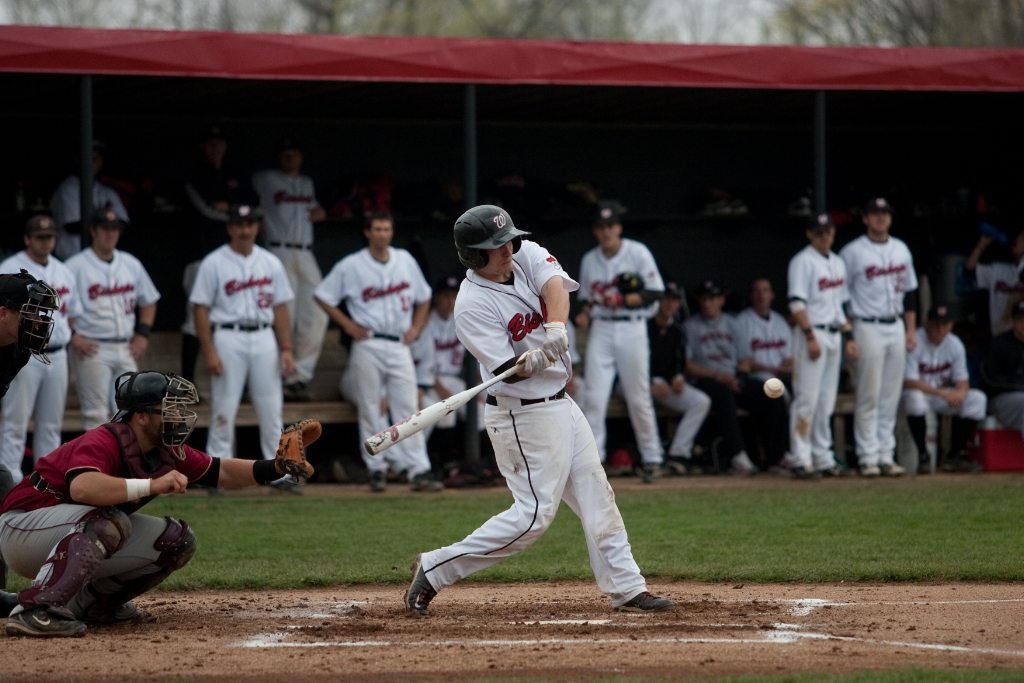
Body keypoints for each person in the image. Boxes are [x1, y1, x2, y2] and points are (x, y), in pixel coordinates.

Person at [405, 204, 673, 617]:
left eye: (509, 239)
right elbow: (506, 374)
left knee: (596, 493)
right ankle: (435, 568)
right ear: (474, 256)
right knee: (532, 518)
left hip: (561, 405)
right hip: (521, 415)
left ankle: (628, 587)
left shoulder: (522, 252)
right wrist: (528, 362)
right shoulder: (471, 305)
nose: (508, 248)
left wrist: (555, 329)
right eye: (496, 246)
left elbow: (554, 285)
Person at [0, 371, 315, 637]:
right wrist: (151, 485)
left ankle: (93, 605)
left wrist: (276, 467)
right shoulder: (105, 439)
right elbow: (82, 487)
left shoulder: (166, 448)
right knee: (108, 522)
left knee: (175, 541)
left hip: (66, 532)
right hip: (22, 527)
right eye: (168, 407)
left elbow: (223, 471)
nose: (178, 415)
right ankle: (34, 609)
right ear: (140, 416)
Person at [314, 212, 441, 493]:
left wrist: (417, 327)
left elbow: (424, 296)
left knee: (408, 408)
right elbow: (322, 295)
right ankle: (378, 469)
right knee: (370, 406)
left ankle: (418, 468)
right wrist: (347, 324)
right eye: (378, 228)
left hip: (399, 343)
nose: (383, 233)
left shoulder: (405, 261)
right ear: (368, 232)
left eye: (387, 228)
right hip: (368, 342)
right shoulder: (352, 264)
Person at [190, 204, 296, 479]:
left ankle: (279, 473)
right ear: (230, 228)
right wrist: (209, 350)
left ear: (257, 227)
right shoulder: (214, 262)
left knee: (272, 410)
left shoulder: (270, 262)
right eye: (239, 225)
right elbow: (200, 308)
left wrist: (286, 348)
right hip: (228, 335)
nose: (245, 230)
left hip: (264, 337)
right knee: (224, 410)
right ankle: (218, 475)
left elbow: (280, 308)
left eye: (250, 225)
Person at [574, 200, 665, 476]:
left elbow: (654, 292)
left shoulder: (637, 252)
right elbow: (588, 299)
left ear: (619, 227)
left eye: (610, 225)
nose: (605, 232)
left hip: (632, 327)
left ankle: (653, 457)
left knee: (638, 397)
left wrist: (622, 299)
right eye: (600, 227)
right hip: (601, 328)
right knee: (594, 397)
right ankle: (594, 459)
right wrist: (586, 313)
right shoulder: (590, 259)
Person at [0, 216, 81, 485]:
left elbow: (71, 315)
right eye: (39, 237)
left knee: (50, 425)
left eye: (50, 237)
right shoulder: (9, 269)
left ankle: (47, 483)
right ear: (27, 238)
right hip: (19, 346)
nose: (45, 241)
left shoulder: (64, 270)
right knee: (15, 422)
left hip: (54, 353)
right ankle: (10, 479)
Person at [840, 197, 918, 477]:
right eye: (874, 213)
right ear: (865, 218)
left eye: (884, 213)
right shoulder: (852, 252)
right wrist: (848, 335)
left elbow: (910, 292)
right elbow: (840, 298)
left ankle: (886, 454)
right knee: (868, 393)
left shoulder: (901, 249)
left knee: (890, 395)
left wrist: (910, 329)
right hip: (865, 325)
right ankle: (867, 455)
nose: (880, 218)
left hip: (895, 324)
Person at [0, 270, 60, 619]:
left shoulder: (18, 352)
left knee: (2, 486)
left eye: (41, 314)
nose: (38, 321)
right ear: (3, 313)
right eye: (30, 312)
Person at [65, 210, 160, 430]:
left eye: (114, 229)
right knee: (95, 413)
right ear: (93, 231)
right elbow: (60, 307)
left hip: (124, 346)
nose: (110, 234)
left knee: (132, 410)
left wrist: (143, 335)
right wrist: (73, 336)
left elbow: (149, 300)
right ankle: (97, 462)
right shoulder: (74, 266)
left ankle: (122, 463)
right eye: (105, 229)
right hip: (92, 348)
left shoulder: (130, 264)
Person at [251, 139, 330, 400]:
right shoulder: (264, 178)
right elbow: (247, 198)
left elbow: (316, 209)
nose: (290, 159)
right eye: (285, 154)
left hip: (305, 251)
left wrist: (320, 211)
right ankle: (279, 375)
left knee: (317, 313)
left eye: (294, 154)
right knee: (286, 315)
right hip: (278, 249)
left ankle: (299, 376)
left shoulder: (306, 183)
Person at [786, 213, 859, 478]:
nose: (825, 236)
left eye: (828, 231)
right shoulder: (802, 261)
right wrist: (809, 335)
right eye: (819, 232)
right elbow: (796, 302)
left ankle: (822, 456)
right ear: (809, 234)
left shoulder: (838, 262)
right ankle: (800, 457)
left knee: (826, 400)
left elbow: (841, 306)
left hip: (834, 333)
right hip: (813, 331)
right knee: (807, 398)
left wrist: (849, 337)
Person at [683, 280, 757, 475]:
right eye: (704, 299)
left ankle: (780, 456)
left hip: (733, 379)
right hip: (706, 380)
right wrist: (718, 375)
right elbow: (688, 366)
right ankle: (738, 456)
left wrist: (738, 377)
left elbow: (746, 360)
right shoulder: (690, 326)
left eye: (712, 299)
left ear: (722, 300)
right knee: (725, 395)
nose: (707, 303)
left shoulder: (733, 324)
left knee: (771, 393)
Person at [903, 305, 987, 474]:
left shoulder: (954, 344)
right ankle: (923, 455)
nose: (940, 328)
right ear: (927, 324)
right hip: (920, 394)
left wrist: (960, 393)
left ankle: (955, 454)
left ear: (951, 325)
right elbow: (909, 382)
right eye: (936, 324)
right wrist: (944, 393)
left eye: (944, 324)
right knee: (915, 399)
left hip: (940, 396)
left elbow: (963, 381)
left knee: (977, 399)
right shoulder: (915, 341)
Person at [411, 276, 482, 454]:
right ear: (436, 298)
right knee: (444, 413)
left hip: (454, 379)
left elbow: (473, 362)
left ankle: (481, 462)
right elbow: (421, 363)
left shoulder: (461, 320)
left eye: (454, 296)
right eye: (446, 296)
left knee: (482, 412)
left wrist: (479, 388)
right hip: (429, 381)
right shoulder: (426, 322)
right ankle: (442, 463)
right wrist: (439, 388)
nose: (451, 301)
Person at [647, 283, 710, 477]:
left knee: (701, 401)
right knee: (640, 399)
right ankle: (650, 457)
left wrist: (678, 378)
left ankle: (678, 454)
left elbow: (679, 363)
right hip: (638, 383)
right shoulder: (643, 325)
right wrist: (649, 384)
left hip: (663, 385)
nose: (669, 304)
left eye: (673, 300)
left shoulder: (678, 331)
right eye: (665, 298)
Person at [733, 277, 796, 472]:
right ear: (750, 295)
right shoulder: (741, 322)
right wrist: (771, 370)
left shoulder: (780, 322)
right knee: (776, 395)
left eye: (765, 290)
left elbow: (791, 356)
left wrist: (789, 365)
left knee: (805, 396)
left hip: (781, 377)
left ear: (772, 295)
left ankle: (804, 453)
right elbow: (744, 363)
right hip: (754, 380)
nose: (761, 295)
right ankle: (779, 456)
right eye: (757, 291)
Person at [49, 141, 130, 261]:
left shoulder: (106, 191)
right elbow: (72, 225)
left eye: (98, 157)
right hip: (71, 258)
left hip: (100, 259)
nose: (94, 161)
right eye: (90, 157)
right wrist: (105, 222)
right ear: (78, 159)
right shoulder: (68, 189)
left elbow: (123, 221)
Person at [964, 226, 1024, 337]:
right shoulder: (998, 269)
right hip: (1000, 334)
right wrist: (981, 246)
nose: (1017, 240)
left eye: (1022, 238)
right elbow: (969, 271)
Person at [981, 301, 1024, 439]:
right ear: (1012, 320)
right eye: (1020, 320)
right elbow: (989, 379)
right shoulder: (1000, 343)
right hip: (1000, 400)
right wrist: (1019, 384)